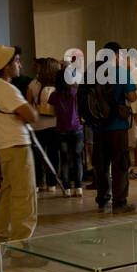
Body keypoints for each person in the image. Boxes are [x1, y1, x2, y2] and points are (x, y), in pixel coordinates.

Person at [0, 45, 39, 252]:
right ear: (6, 66)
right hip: (17, 147)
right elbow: (31, 116)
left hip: (5, 148)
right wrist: (30, 107)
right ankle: (21, 248)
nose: (20, 64)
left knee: (8, 197)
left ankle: (2, 242)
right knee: (24, 199)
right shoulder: (7, 89)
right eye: (16, 61)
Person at [89, 41, 137, 213]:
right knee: (120, 164)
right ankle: (120, 203)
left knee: (101, 164)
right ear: (116, 55)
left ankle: (102, 199)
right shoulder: (121, 73)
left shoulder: (93, 73)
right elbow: (132, 97)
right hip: (117, 126)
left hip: (97, 127)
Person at [26, 58, 60, 193]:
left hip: (37, 125)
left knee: (37, 156)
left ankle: (38, 183)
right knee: (53, 154)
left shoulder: (33, 84)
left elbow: (28, 105)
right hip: (54, 124)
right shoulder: (58, 84)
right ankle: (52, 183)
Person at [52, 57, 84, 197]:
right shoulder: (75, 92)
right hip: (76, 128)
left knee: (64, 160)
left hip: (61, 129)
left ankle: (67, 188)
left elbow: (53, 111)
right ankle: (79, 187)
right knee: (77, 158)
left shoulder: (54, 95)